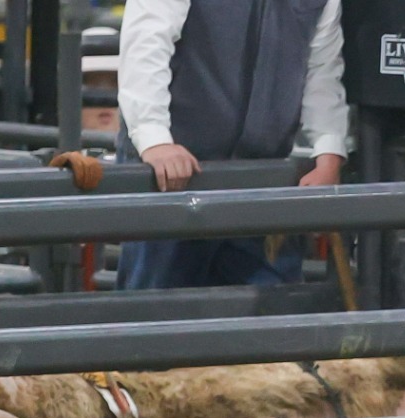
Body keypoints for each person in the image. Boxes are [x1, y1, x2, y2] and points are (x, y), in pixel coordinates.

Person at [116, 0, 350, 289]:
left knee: (272, 316)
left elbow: (322, 69)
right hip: (174, 175)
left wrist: (329, 150)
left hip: (260, 182)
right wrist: (155, 140)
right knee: (158, 310)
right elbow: (148, 40)